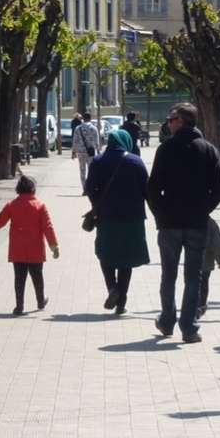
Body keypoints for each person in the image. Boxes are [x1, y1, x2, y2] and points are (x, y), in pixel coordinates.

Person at [147, 103, 220, 343]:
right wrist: (203, 210)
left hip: (169, 223)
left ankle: (168, 320)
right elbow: (219, 189)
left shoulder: (166, 149)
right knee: (194, 276)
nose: (168, 123)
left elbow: (152, 189)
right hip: (196, 223)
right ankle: (189, 326)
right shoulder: (208, 150)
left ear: (181, 121)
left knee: (168, 274)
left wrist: (160, 214)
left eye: (171, 119)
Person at [85, 129, 150, 315]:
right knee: (126, 259)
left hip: (106, 217)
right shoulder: (135, 161)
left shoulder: (98, 161)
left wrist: (97, 204)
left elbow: (89, 188)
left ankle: (112, 288)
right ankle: (121, 302)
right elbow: (147, 189)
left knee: (105, 254)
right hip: (133, 218)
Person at [0, 175, 59, 315]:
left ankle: (19, 306)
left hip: (17, 249)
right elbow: (48, 227)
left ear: (18, 189)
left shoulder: (12, 205)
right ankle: (40, 300)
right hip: (35, 250)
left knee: (19, 279)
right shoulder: (40, 206)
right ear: (33, 189)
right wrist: (54, 246)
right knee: (37, 277)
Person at [197, 216, 220, 319]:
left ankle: (193, 304)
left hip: (193, 259)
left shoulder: (190, 218)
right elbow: (217, 243)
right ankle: (201, 305)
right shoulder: (211, 223)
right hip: (206, 260)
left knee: (193, 282)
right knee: (204, 283)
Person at [74, 112, 100, 193]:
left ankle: (84, 188)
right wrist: (98, 151)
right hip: (91, 152)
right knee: (91, 170)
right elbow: (97, 141)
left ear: (83, 119)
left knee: (82, 171)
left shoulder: (78, 128)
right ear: (90, 118)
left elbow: (75, 141)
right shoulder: (93, 128)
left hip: (81, 152)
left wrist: (73, 151)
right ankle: (90, 188)